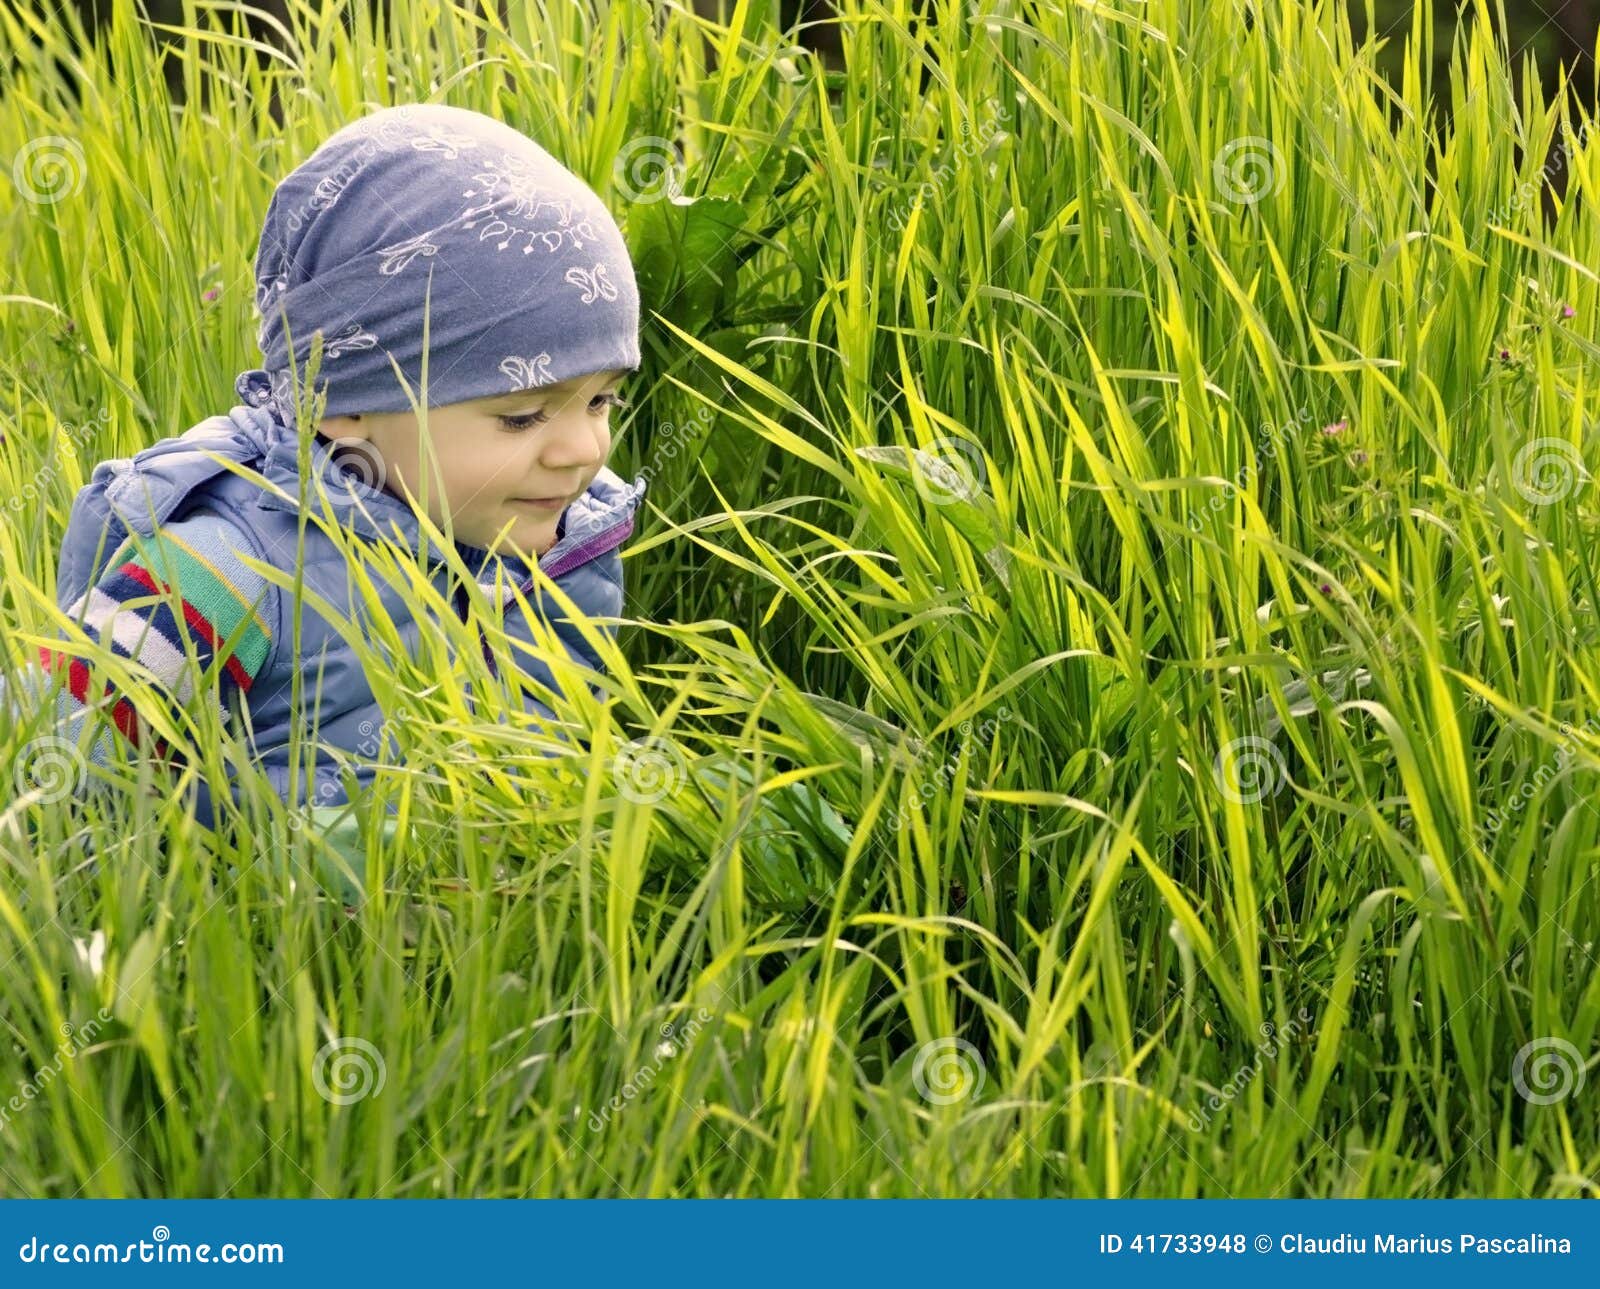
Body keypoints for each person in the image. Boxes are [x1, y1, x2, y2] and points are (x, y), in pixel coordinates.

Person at [9, 103, 646, 897]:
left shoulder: (564, 539)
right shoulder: (224, 569)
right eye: (522, 415)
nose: (583, 450)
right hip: (271, 976)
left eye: (602, 402)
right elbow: (43, 771)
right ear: (342, 403)